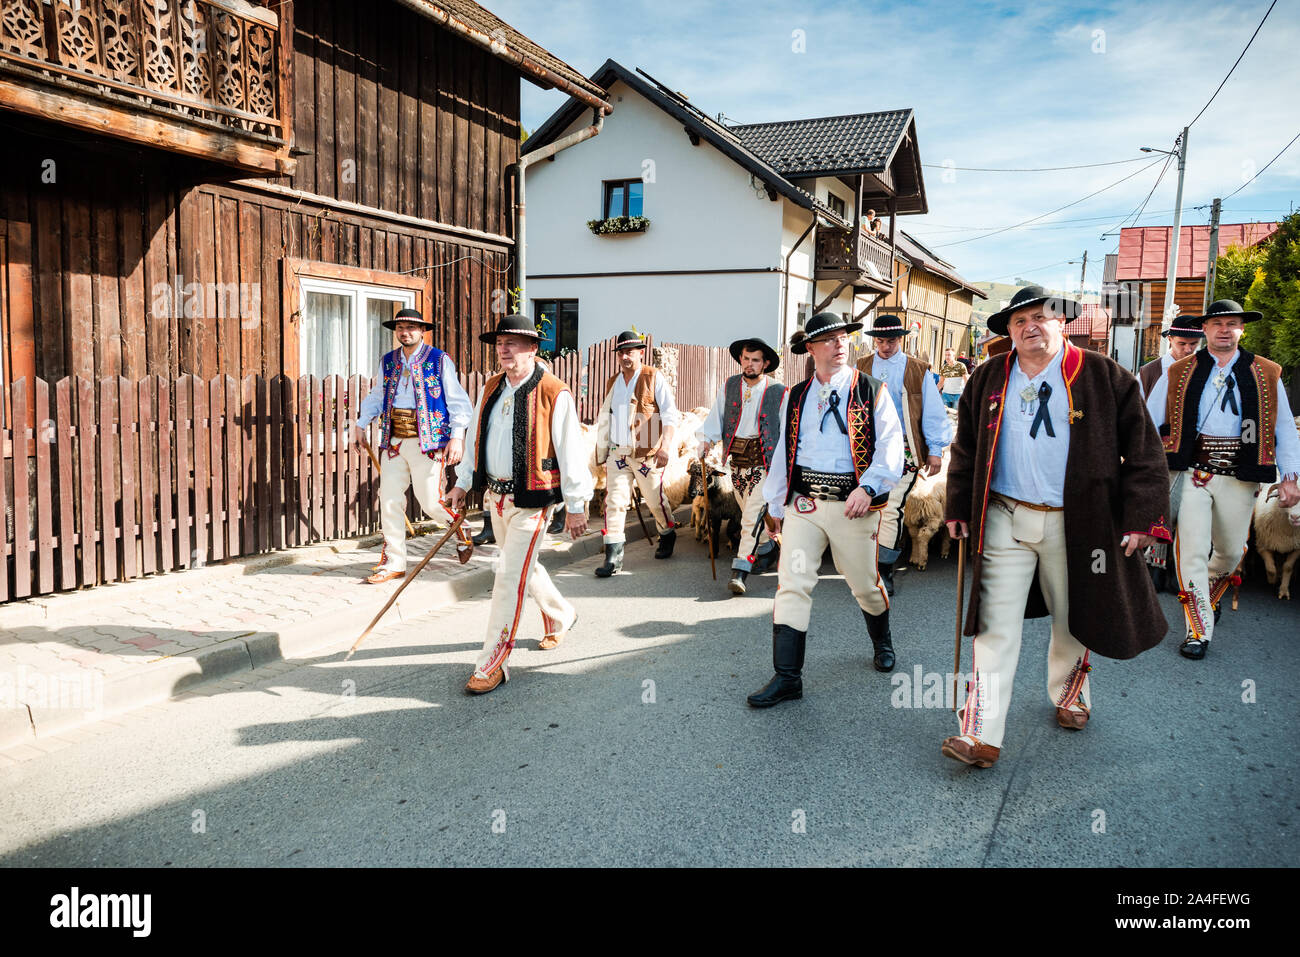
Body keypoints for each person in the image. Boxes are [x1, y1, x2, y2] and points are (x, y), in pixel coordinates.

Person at [942, 285, 1172, 769]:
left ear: (1062, 322)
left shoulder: (1105, 375)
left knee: (1073, 619)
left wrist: (1141, 518)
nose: (1031, 326)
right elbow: (965, 450)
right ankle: (981, 732)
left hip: (1079, 524)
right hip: (1004, 517)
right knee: (993, 626)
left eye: (1041, 317)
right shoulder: (987, 377)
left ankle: (1070, 694)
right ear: (1008, 330)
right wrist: (958, 507)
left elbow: (1146, 451)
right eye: (1019, 320)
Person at [747, 312, 905, 708]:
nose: (840, 344)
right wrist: (776, 503)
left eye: (843, 338)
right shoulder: (795, 395)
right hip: (805, 504)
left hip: (853, 506)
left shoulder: (871, 390)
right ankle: (788, 678)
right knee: (793, 583)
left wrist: (868, 488)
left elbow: (891, 449)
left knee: (864, 584)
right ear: (811, 348)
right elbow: (786, 451)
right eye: (830, 339)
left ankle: (882, 640)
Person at [1145, 299, 1300, 659]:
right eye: (1217, 324)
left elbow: (1285, 431)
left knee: (1231, 552)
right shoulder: (1179, 371)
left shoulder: (1267, 372)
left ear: (1242, 329)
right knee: (1191, 553)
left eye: (1232, 323)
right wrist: (1141, 468)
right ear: (1205, 329)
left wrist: (1291, 478)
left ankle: (1210, 588)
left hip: (1240, 476)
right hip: (1192, 473)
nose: (1224, 330)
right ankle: (1197, 629)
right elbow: (1147, 421)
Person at [448, 315, 594, 694]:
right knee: (524, 568)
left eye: (513, 342)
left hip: (533, 499)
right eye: (500, 342)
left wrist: (576, 504)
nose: (504, 349)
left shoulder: (554, 391)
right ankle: (562, 615)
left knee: (508, 576)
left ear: (533, 348)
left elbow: (571, 451)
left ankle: (492, 662)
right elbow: (478, 435)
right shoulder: (492, 386)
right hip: (495, 498)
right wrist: (464, 483)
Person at [353, 307, 474, 584]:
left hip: (428, 442)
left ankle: (459, 525)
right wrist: (361, 423)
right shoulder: (388, 361)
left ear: (422, 331)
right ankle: (394, 561)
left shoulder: (439, 359)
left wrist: (457, 435)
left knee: (430, 501)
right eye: (400, 328)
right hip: (393, 440)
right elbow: (378, 394)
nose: (404, 332)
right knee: (389, 500)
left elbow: (457, 400)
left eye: (410, 327)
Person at [856, 314, 951, 595]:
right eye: (881, 341)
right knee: (866, 507)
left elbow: (934, 412)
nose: (886, 346)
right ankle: (866, 565)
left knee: (891, 507)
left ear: (901, 339)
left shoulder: (918, 369)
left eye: (892, 340)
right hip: (865, 447)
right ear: (875, 340)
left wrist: (935, 450)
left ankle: (885, 570)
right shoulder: (860, 367)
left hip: (904, 447)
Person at [695, 337, 787, 594]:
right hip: (736, 466)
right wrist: (706, 441)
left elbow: (786, 432)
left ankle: (740, 571)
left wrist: (783, 467)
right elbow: (716, 418)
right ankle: (771, 546)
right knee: (754, 514)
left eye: (755, 360)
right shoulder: (730, 386)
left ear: (765, 363)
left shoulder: (779, 392)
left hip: (763, 465)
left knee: (749, 519)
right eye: (745, 358)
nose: (749, 364)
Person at [593, 330, 680, 577]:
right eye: (621, 352)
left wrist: (665, 447)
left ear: (640, 352)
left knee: (655, 501)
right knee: (615, 502)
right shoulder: (613, 382)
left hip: (646, 453)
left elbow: (669, 415)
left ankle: (667, 532)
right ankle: (613, 557)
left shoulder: (653, 377)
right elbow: (606, 417)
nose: (625, 356)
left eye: (629, 351)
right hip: (617, 453)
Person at [1138, 314, 1203, 398]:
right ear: (1170, 339)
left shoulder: (1204, 369)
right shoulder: (1149, 372)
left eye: (1193, 343)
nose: (1188, 349)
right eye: (1182, 343)